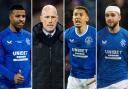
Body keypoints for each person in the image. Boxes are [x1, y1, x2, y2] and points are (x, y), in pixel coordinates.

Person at [0, 5, 31, 89]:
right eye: (17, 16)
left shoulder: (29, 37)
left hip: (27, 86)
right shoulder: (2, 37)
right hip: (6, 86)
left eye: (23, 16)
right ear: (10, 17)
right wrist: (12, 76)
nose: (21, 19)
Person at [65, 6, 96, 89]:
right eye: (75, 15)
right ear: (72, 18)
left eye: (81, 15)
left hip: (92, 79)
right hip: (74, 78)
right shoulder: (67, 34)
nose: (77, 17)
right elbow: (61, 54)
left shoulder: (95, 34)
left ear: (87, 18)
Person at [32, 5, 63, 89]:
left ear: (57, 18)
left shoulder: (66, 39)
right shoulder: (30, 40)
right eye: (47, 17)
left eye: (53, 17)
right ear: (41, 18)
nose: (50, 21)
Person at [97, 5, 128, 89]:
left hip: (122, 82)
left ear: (119, 17)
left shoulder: (126, 36)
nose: (109, 18)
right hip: (103, 84)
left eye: (113, 15)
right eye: (107, 15)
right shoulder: (98, 36)